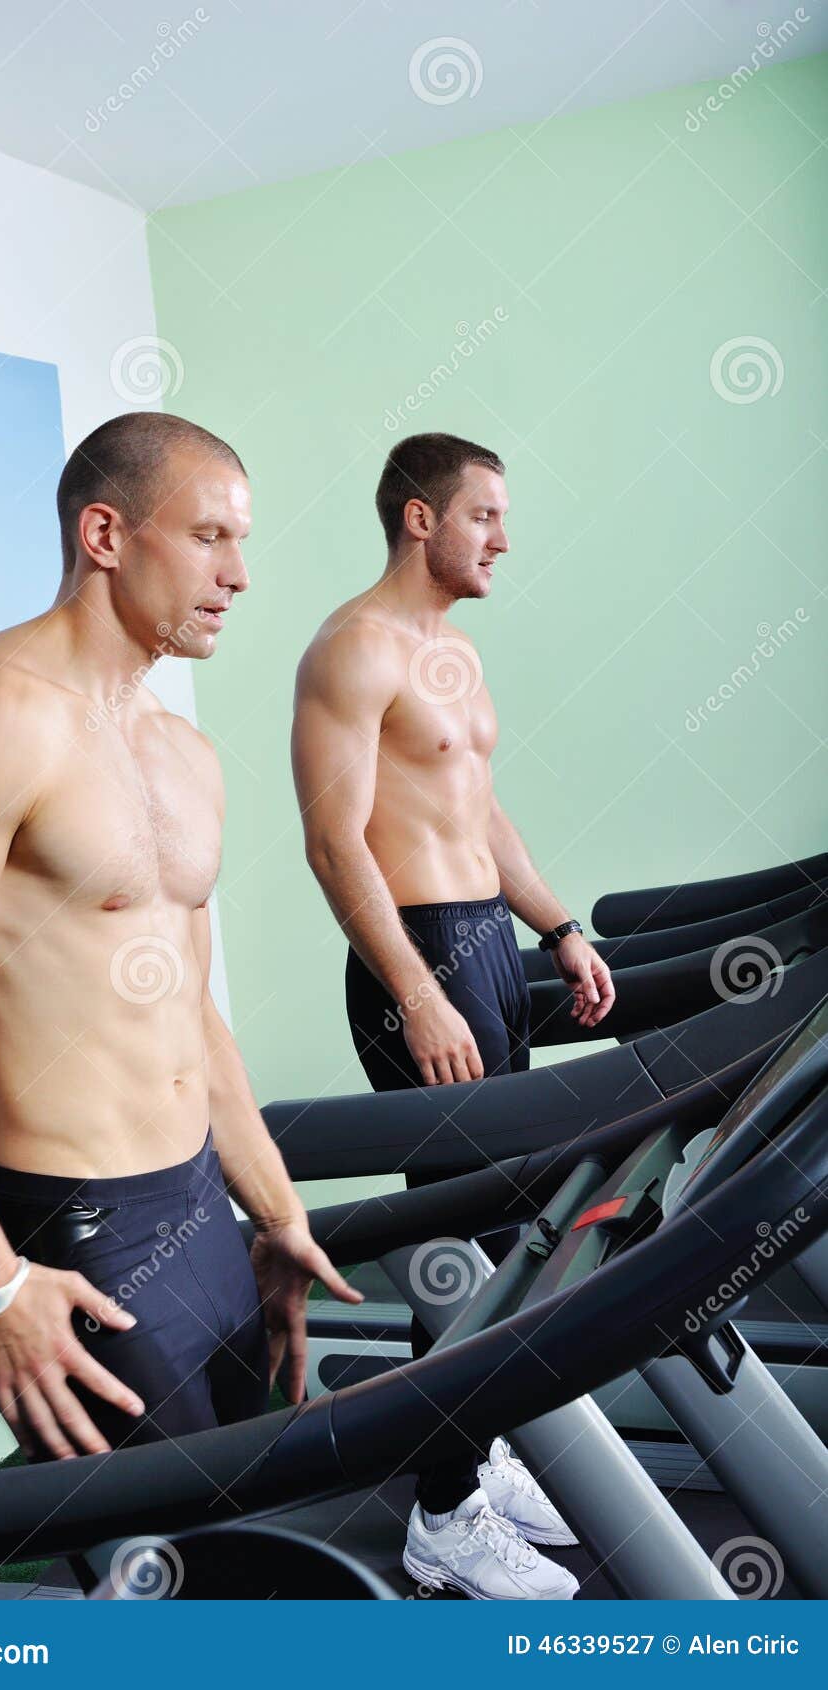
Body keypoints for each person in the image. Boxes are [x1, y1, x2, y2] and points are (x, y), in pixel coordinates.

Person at [0, 412, 360, 1471]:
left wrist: (277, 1207)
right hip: (69, 1227)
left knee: (243, 1541)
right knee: (180, 1578)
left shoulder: (183, 753)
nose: (239, 573)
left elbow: (191, 1012)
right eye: (209, 536)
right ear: (105, 535)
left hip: (201, 1203)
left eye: (240, 541)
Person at [292, 430, 616, 1599]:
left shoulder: (455, 656)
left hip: (482, 941)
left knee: (515, 1226)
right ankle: (440, 1515)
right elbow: (334, 843)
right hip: (411, 960)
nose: (504, 538)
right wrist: (418, 990)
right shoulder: (350, 650)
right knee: (456, 1242)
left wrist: (558, 926)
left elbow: (483, 816)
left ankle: (474, 1450)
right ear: (420, 518)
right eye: (485, 515)